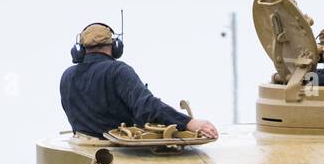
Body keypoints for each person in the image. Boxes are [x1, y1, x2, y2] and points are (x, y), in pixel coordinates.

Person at [60, 22, 219, 139]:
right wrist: (189, 123)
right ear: (115, 47)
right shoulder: (118, 71)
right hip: (119, 151)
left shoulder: (67, 76)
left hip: (83, 148)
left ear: (80, 50)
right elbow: (146, 106)